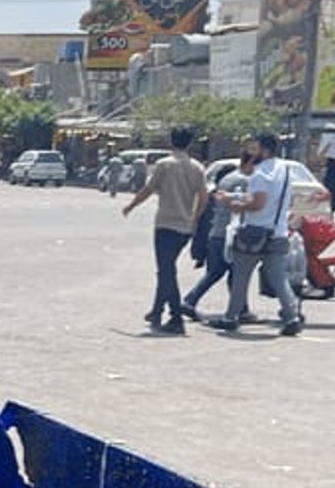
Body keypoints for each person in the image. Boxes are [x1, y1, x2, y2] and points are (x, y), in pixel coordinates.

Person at [209, 133, 302, 337]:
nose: (251, 153)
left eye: (254, 149)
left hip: (254, 233)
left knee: (241, 276)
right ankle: (291, 317)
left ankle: (231, 317)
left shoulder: (260, 174)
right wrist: (236, 196)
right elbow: (274, 199)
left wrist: (233, 204)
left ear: (264, 150)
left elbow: (257, 203)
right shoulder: (285, 170)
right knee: (279, 279)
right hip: (278, 232)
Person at [121, 125, 205, 334]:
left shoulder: (165, 165)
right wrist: (194, 217)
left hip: (166, 223)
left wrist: (131, 205)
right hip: (185, 226)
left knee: (166, 271)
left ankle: (176, 317)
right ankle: (157, 311)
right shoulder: (197, 167)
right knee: (166, 269)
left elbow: (148, 190)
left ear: (171, 141)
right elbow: (203, 197)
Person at [183, 146, 258, 323]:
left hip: (217, 232)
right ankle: (190, 300)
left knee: (224, 272)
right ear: (249, 162)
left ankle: (241, 309)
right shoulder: (243, 181)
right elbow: (241, 205)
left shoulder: (227, 178)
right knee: (229, 272)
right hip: (229, 234)